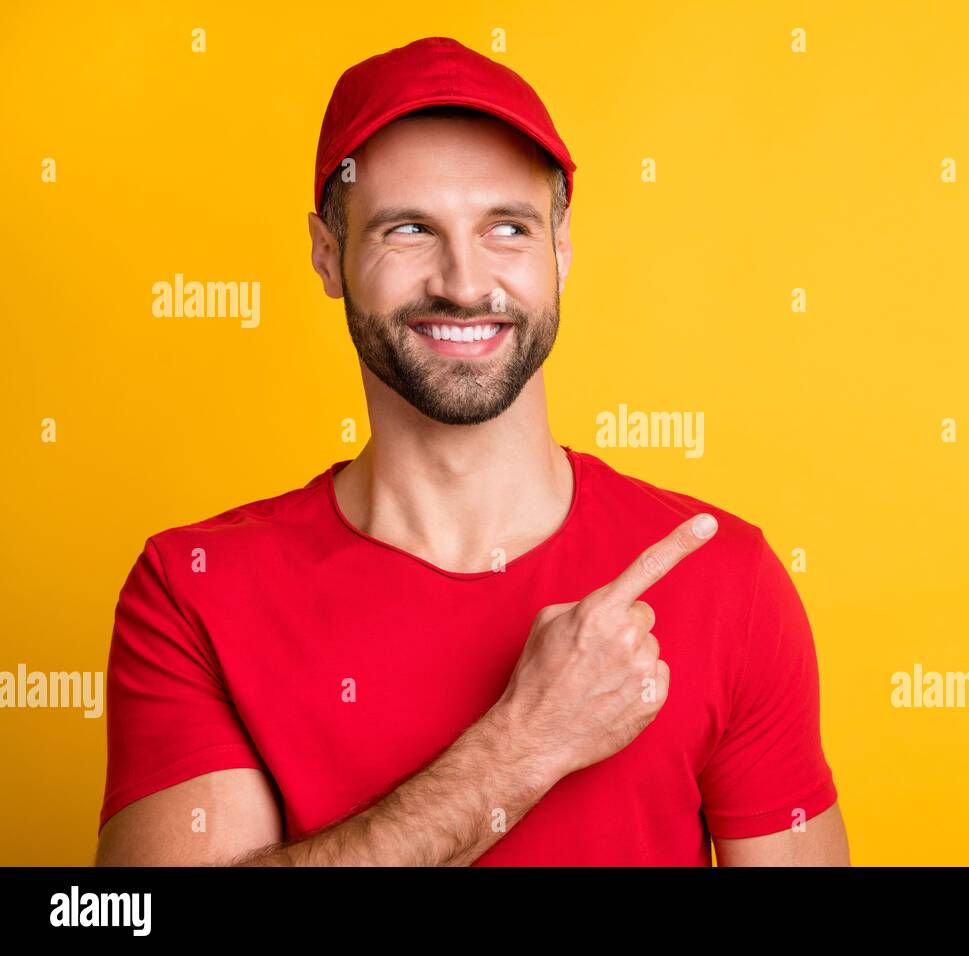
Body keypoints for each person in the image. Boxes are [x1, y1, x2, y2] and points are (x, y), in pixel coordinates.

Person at [95, 36, 847, 866]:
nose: (463, 280)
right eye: (410, 229)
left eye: (507, 228)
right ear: (325, 255)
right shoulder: (194, 591)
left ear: (560, 248)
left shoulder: (720, 578)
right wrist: (527, 743)